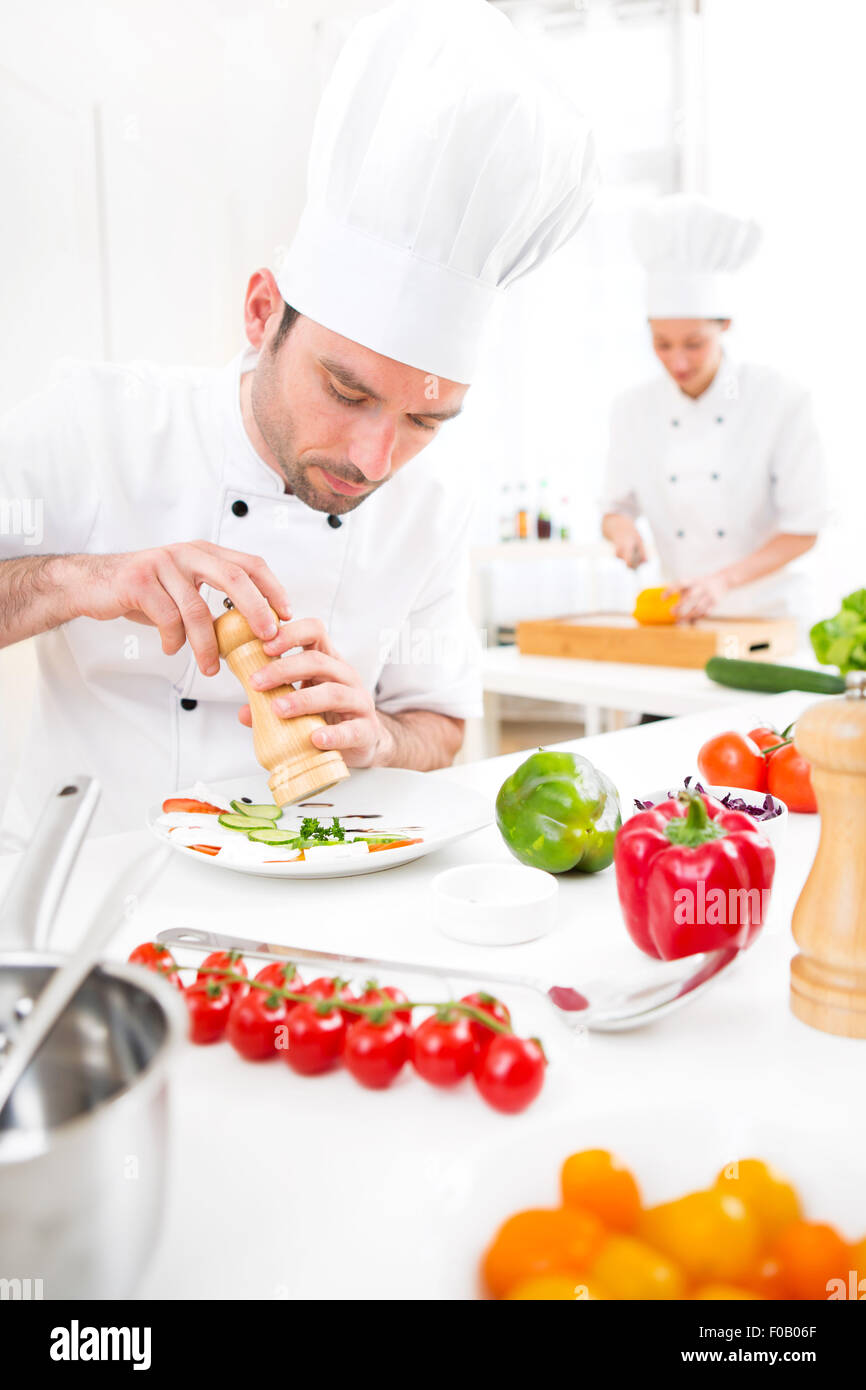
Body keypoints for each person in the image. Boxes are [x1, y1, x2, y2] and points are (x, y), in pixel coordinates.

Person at [0, 0, 598, 833]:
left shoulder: (431, 510)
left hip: (314, 892)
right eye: (347, 393)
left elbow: (442, 725)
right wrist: (81, 581)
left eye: (426, 421)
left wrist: (378, 736)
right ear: (260, 313)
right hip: (80, 893)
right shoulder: (96, 423)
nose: (375, 458)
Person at [601, 194, 826, 622]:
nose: (678, 362)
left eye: (694, 344)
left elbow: (804, 529)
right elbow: (615, 508)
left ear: (725, 325)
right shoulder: (632, 409)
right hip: (684, 616)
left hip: (770, 615)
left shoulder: (780, 399)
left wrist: (722, 580)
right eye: (662, 344)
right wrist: (623, 531)